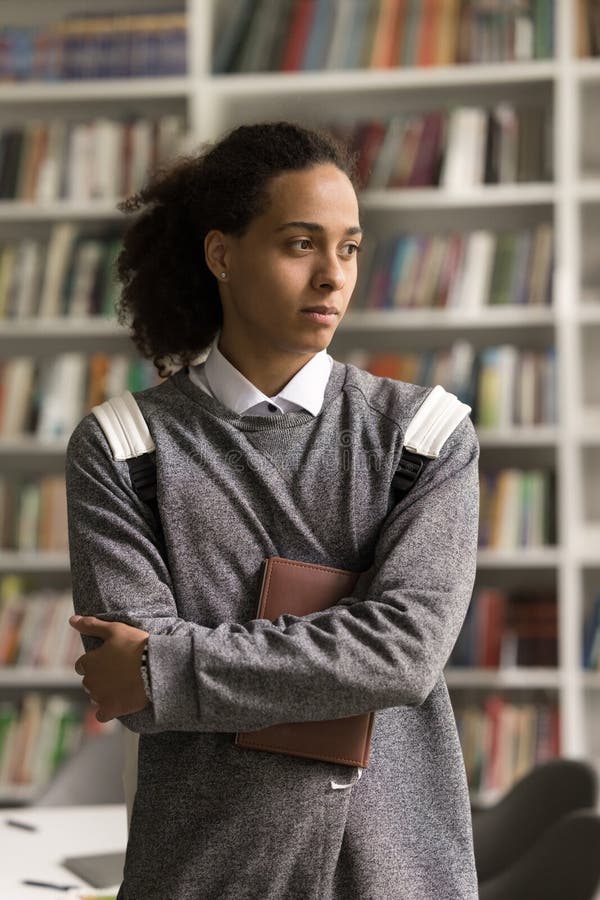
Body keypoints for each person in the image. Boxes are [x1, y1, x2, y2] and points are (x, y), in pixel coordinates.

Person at [65, 121, 480, 900]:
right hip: (201, 873)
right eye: (301, 244)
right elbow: (130, 701)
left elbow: (403, 655)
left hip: (394, 874)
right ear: (222, 254)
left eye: (349, 248)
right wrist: (337, 655)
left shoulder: (426, 436)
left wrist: (167, 663)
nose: (334, 276)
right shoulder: (121, 448)